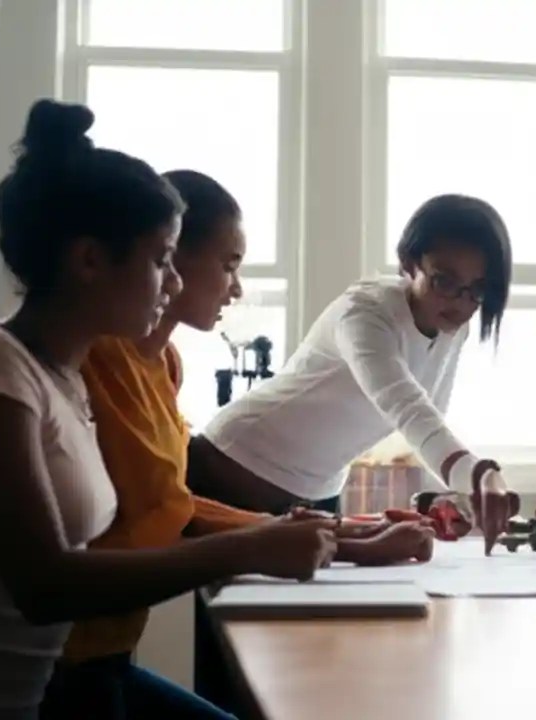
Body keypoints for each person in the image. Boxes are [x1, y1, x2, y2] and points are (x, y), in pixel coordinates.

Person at [0, 100, 337, 720]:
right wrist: (248, 549)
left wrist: (284, 536)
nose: (171, 285)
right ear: (89, 260)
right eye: (158, 260)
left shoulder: (63, 380)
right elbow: (45, 585)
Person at [42, 171, 432, 719]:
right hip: (63, 668)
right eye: (228, 264)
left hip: (108, 659)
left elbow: (178, 502)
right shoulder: (92, 361)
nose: (238, 287)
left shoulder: (164, 365)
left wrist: (342, 534)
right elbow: (167, 514)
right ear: (170, 258)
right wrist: (299, 540)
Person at [190, 194, 517, 553]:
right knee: (237, 607)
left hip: (318, 493)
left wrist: (460, 495)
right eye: (444, 281)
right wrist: (480, 475)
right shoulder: (365, 315)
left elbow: (428, 423)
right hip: (234, 468)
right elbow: (408, 410)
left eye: (478, 290)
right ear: (409, 262)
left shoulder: (453, 327)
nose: (460, 302)